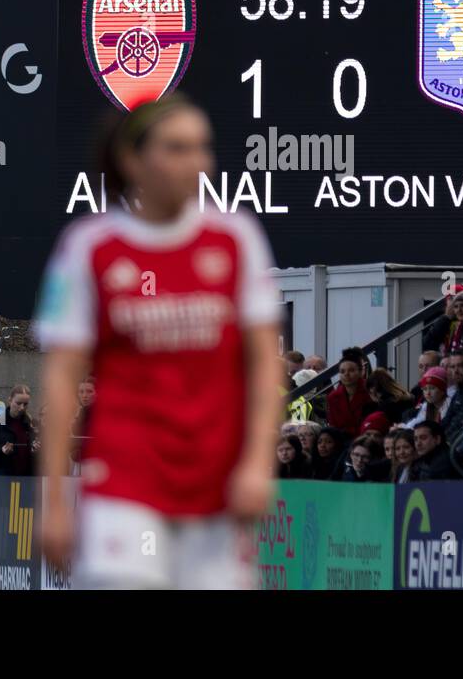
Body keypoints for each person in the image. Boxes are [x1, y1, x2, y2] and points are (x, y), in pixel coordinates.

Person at [36, 94, 281, 589]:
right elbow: (62, 378)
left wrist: (258, 463)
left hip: (215, 486)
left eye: (202, 148)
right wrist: (56, 505)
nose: (198, 163)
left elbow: (263, 363)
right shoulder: (88, 247)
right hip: (124, 481)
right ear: (133, 158)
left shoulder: (236, 239)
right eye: (177, 148)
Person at [0, 384, 39, 477]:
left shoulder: (31, 424)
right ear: (10, 400)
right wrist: (1, 450)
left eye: (25, 404)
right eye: (18, 403)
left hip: (27, 481)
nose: (22, 408)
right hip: (3, 480)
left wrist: (36, 451)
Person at [326, 349, 376, 437]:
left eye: (351, 370)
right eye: (342, 371)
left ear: (361, 372)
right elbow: (333, 425)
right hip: (341, 441)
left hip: (366, 439)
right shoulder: (333, 396)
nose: (346, 374)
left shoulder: (370, 391)